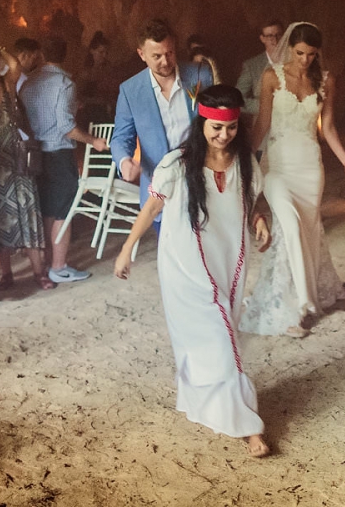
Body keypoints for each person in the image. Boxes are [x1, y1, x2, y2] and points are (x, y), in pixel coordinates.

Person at [113, 85, 273, 457]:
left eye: (231, 128)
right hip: (185, 266)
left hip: (229, 260)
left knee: (219, 335)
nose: (223, 136)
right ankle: (249, 427)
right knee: (219, 337)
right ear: (201, 122)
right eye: (216, 128)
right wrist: (126, 249)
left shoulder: (245, 161)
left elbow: (255, 195)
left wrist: (261, 217)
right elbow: (151, 208)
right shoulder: (177, 164)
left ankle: (207, 403)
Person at [240, 22, 345, 338]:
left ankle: (304, 296)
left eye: (311, 54)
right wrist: (245, 161)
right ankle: (304, 305)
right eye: (300, 52)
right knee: (289, 226)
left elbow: (328, 128)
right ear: (290, 47)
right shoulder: (270, 77)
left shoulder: (326, 81)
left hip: (310, 167)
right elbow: (263, 123)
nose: (305, 59)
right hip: (277, 165)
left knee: (306, 230)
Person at [17, 35, 109, 285]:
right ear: (66, 54)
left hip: (36, 153)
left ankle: (48, 262)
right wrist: (93, 141)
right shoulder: (65, 83)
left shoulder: (28, 83)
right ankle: (59, 266)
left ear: (42, 55)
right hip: (58, 153)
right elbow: (67, 127)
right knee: (64, 211)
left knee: (48, 209)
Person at [110, 19, 215, 233]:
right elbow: (121, 138)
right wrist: (124, 162)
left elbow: (215, 120)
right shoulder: (130, 90)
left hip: (201, 177)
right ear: (141, 54)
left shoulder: (200, 75)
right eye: (156, 56)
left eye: (170, 53)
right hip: (159, 187)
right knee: (171, 261)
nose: (165, 62)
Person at [0, 42, 52, 290]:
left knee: (28, 212)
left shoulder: (6, 84)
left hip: (17, 160)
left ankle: (39, 272)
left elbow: (16, 65)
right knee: (0, 219)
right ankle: (6, 274)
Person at [236, 21, 284, 118]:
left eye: (278, 35)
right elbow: (237, 98)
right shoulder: (252, 65)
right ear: (262, 39)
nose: (275, 40)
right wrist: (265, 106)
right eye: (270, 36)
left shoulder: (294, 61)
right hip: (262, 122)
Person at [76, 32, 123, 126]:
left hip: (107, 113)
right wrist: (98, 101)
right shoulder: (85, 73)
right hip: (89, 115)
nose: (104, 55)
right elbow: (77, 95)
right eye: (101, 52)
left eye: (106, 52)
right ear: (92, 51)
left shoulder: (109, 70)